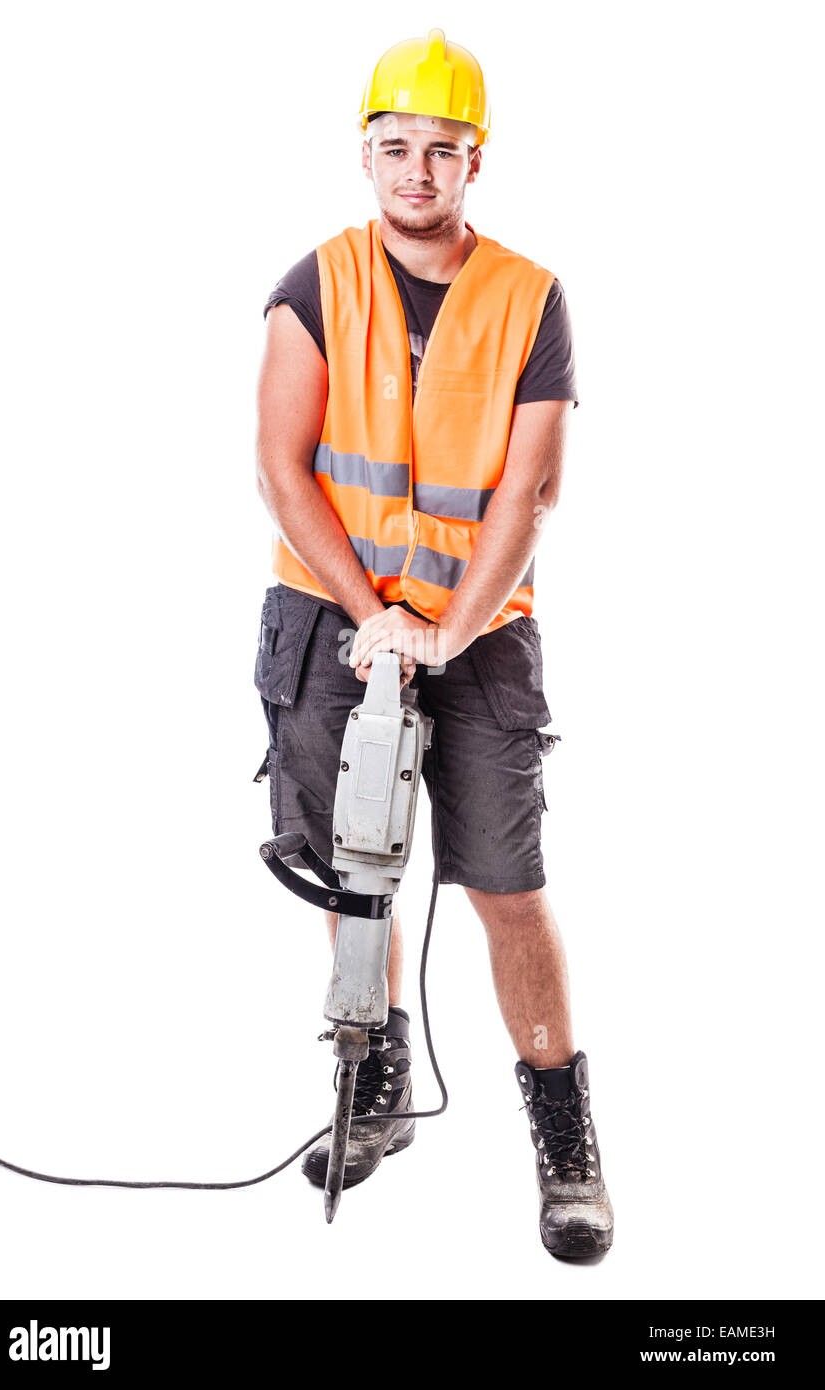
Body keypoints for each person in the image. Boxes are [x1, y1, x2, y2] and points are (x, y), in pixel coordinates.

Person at [253, 28, 613, 1258]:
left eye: (441, 150)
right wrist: (372, 620)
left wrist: (444, 631)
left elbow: (528, 496)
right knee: (355, 867)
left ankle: (565, 1142)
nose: (416, 169)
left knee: (504, 887)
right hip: (328, 616)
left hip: (481, 629)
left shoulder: (527, 297)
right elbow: (281, 469)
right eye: (395, 146)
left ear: (475, 162)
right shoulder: (316, 283)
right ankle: (377, 1084)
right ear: (364, 154)